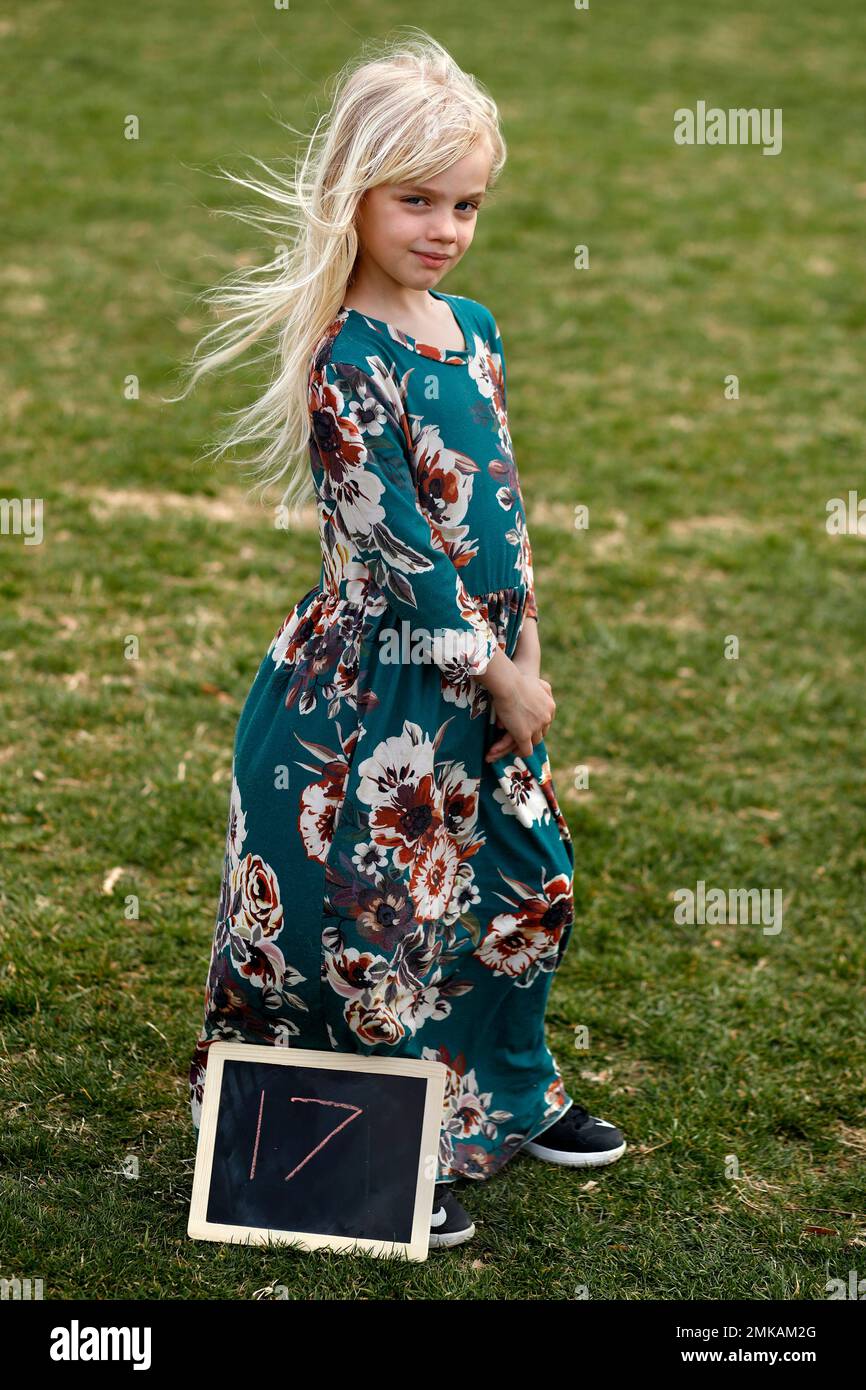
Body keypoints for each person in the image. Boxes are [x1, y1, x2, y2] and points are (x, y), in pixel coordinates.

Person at [175, 28, 625, 1252]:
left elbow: (498, 510)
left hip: (489, 671)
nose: (443, 227)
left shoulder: (469, 327)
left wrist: (526, 652)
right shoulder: (345, 360)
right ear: (352, 196)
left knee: (525, 888)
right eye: (414, 199)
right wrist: (489, 673)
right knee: (383, 920)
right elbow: (401, 558)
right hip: (380, 686)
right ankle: (380, 1146)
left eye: (465, 202)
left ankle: (504, 1095)